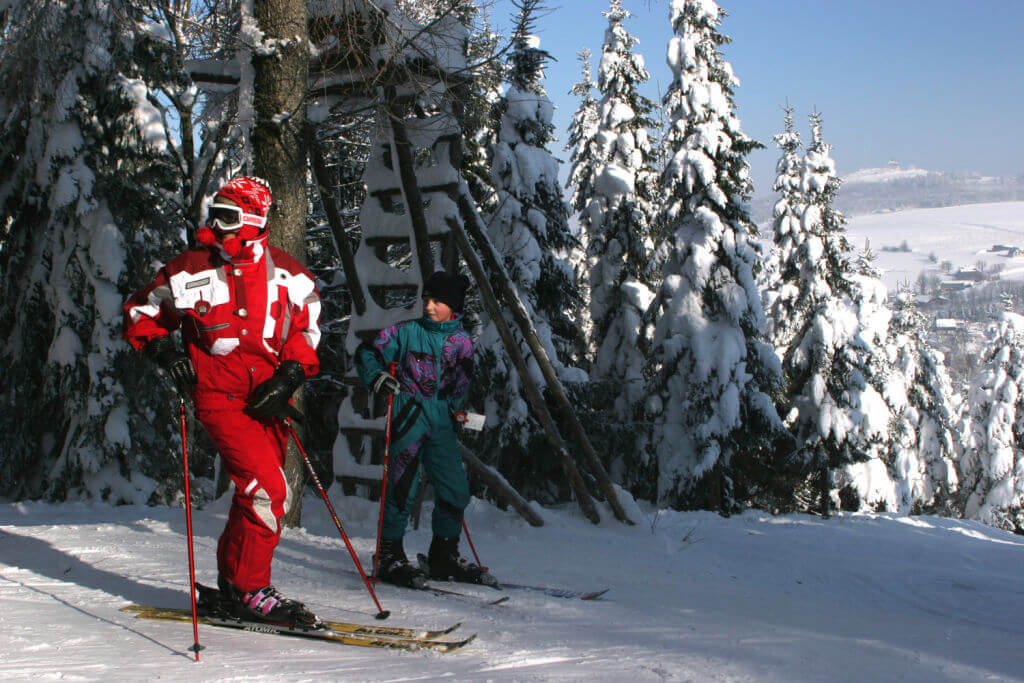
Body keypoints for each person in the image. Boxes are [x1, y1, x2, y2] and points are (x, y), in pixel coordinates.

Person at [122, 175, 322, 625]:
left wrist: (290, 376)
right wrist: (163, 349)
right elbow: (142, 311)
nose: (216, 226)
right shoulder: (190, 267)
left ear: (255, 219)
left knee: (256, 495)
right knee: (269, 492)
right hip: (218, 395)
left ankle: (235, 584)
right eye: (215, 214)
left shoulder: (290, 275)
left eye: (228, 217)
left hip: (267, 399)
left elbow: (305, 332)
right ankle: (251, 591)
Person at [356, 270, 491, 587]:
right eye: (427, 299)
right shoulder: (405, 332)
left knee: (456, 490)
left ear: (453, 306)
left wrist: (464, 418)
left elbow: (462, 385)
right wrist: (376, 376)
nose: (429, 306)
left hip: (443, 422)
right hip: (410, 415)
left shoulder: (462, 343)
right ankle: (389, 555)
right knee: (403, 488)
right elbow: (367, 352)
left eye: (438, 301)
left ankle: (443, 556)